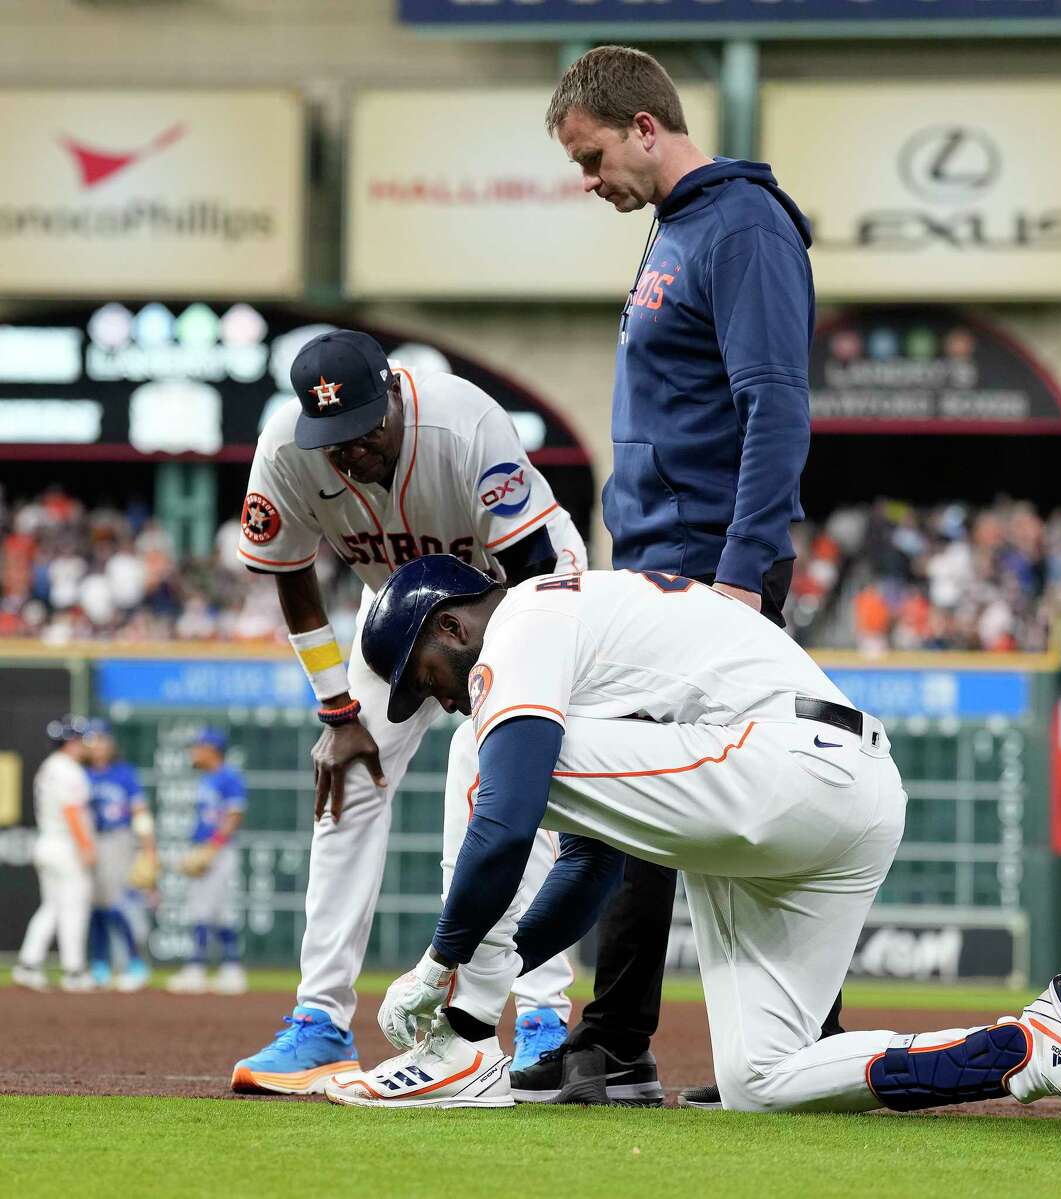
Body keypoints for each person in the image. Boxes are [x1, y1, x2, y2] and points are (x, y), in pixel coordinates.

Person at [324, 558, 1061, 1135]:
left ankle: (459, 1047)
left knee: (484, 753)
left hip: (785, 764)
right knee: (763, 1078)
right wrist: (493, 964)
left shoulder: (526, 618)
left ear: (452, 621)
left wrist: (447, 970)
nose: (433, 693)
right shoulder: (573, 641)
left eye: (422, 670)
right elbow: (593, 864)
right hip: (838, 798)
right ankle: (1032, 1046)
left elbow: (504, 824)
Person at [527, 44, 830, 1107]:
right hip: (659, 562)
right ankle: (628, 1039)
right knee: (656, 804)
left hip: (708, 568)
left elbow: (774, 402)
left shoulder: (741, 225)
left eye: (592, 154)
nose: (588, 179)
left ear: (645, 128)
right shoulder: (680, 226)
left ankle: (647, 1039)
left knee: (684, 804)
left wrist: (743, 574)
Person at [229, 328, 587, 1094]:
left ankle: (542, 1013)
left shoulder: (462, 421)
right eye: (334, 438)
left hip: (523, 595)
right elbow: (291, 577)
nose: (350, 452)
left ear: (393, 391)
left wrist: (513, 699)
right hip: (398, 613)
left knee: (524, 790)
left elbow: (528, 571)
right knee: (346, 785)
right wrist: (337, 711)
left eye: (363, 429)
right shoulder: (288, 448)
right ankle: (319, 1023)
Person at [13, 716, 97, 993]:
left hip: (47, 842)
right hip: (65, 846)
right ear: (71, 742)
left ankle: (28, 964)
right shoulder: (69, 770)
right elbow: (72, 812)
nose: (87, 743)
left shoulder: (49, 767)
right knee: (74, 909)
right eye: (82, 738)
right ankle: (74, 971)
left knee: (51, 907)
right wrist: (85, 845)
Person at [165, 728, 248, 996]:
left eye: (198, 747)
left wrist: (212, 847)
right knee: (219, 912)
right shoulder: (208, 779)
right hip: (210, 849)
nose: (194, 752)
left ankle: (196, 969)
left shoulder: (227, 777)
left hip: (218, 851)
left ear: (211, 749)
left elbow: (235, 815)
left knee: (202, 909)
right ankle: (231, 969)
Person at [85, 718, 156, 991]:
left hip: (118, 840)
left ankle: (135, 964)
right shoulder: (83, 774)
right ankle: (100, 965)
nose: (98, 746)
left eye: (102, 740)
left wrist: (149, 850)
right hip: (91, 844)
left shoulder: (123, 773)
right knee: (97, 908)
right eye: (93, 741)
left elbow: (140, 813)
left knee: (119, 905)